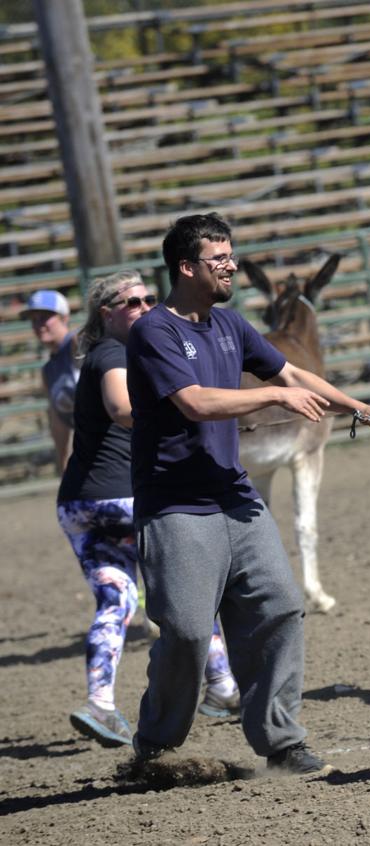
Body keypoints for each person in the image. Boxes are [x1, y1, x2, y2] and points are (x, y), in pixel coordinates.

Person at [125, 213, 370, 776]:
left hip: (235, 499)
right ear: (186, 267)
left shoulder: (229, 325)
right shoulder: (156, 332)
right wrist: (269, 398)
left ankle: (281, 740)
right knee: (189, 632)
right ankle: (156, 738)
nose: (230, 266)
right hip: (177, 507)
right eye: (218, 259)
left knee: (280, 605)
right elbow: (197, 402)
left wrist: (361, 407)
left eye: (230, 255)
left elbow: (293, 376)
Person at [56, 270, 240, 749]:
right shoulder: (117, 353)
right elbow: (121, 407)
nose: (142, 307)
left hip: (79, 504)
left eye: (148, 298)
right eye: (130, 301)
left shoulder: (100, 353)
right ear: (106, 313)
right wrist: (185, 410)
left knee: (117, 600)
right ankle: (222, 686)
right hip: (125, 499)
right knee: (191, 585)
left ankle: (99, 703)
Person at [22, 289, 78, 473]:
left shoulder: (77, 344)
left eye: (46, 317)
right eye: (34, 319)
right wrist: (63, 466)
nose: (39, 324)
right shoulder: (49, 369)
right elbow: (58, 422)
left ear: (64, 317)